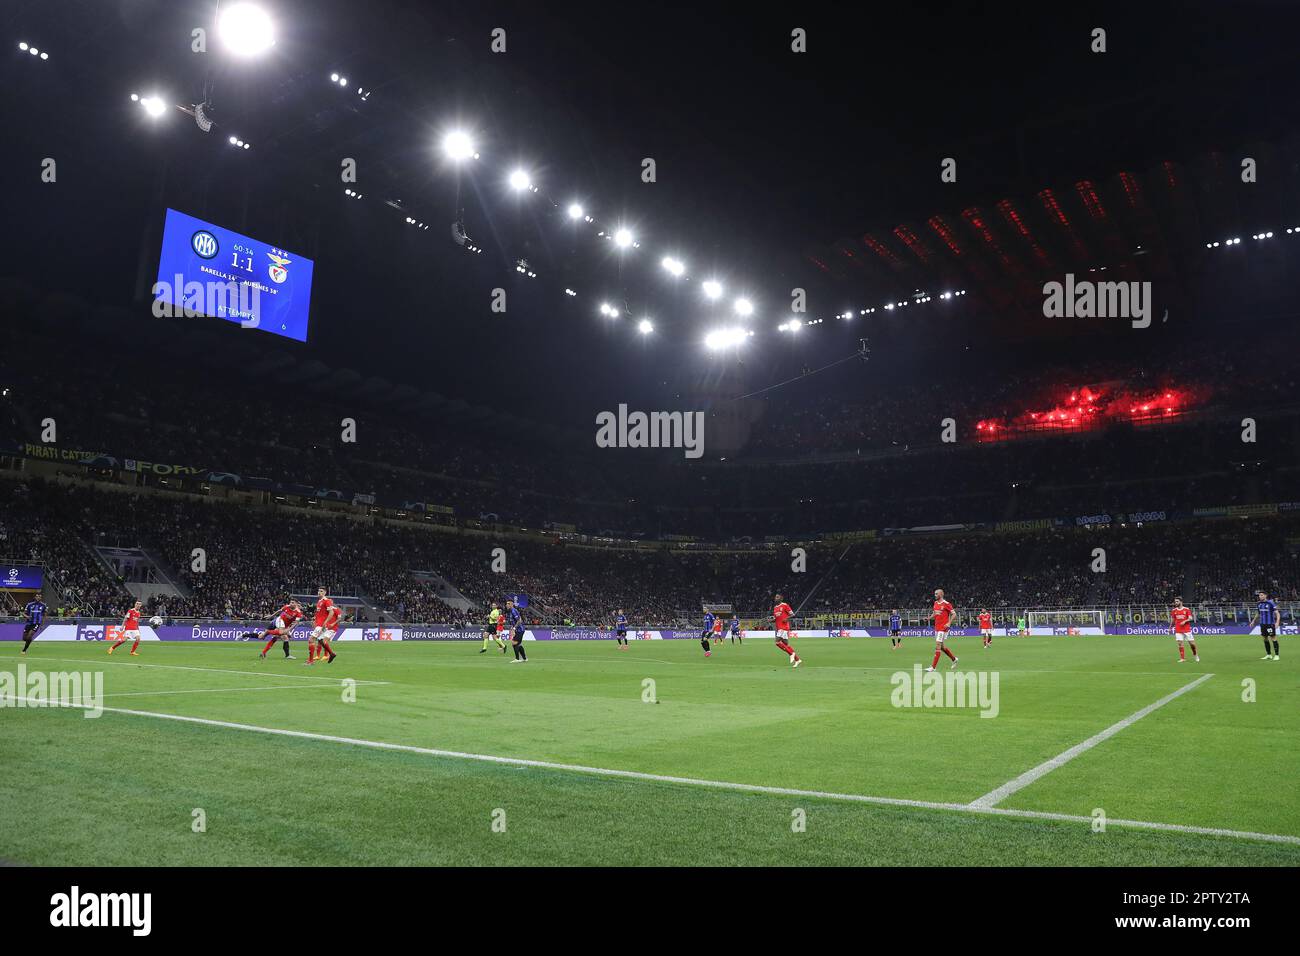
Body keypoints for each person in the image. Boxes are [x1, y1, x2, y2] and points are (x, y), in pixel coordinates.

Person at [926, 588, 957, 672]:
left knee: (938, 645)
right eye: (935, 594)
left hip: (943, 628)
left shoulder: (946, 604)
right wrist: (929, 618)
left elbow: (954, 614)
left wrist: (949, 623)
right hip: (937, 628)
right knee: (942, 647)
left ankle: (933, 667)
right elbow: (935, 613)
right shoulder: (935, 603)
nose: (935, 595)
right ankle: (954, 659)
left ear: (941, 594)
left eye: (936, 594)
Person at [772, 594, 802, 667]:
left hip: (784, 627)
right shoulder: (775, 608)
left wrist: (787, 618)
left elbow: (792, 614)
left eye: (777, 597)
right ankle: (797, 660)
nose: (776, 598)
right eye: (775, 597)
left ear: (781, 598)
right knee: (786, 645)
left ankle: (792, 654)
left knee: (777, 642)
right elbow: (777, 618)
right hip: (779, 628)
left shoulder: (785, 605)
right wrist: (772, 620)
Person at [1250, 590, 1280, 661]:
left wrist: (1277, 622)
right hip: (1263, 624)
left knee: (1273, 638)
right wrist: (1253, 621)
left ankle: (1276, 655)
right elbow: (1258, 613)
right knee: (1265, 639)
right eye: (1259, 595)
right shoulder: (1259, 604)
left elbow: (1277, 613)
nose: (1260, 596)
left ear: (1265, 596)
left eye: (1262, 595)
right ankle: (1269, 654)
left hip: (1270, 624)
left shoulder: (1270, 603)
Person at [1170, 597, 1199, 663]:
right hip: (1178, 630)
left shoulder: (1186, 609)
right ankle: (1182, 658)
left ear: (1181, 602)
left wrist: (1185, 621)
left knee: (1192, 644)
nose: (1176, 603)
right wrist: (1170, 628)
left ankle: (1195, 654)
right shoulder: (1174, 610)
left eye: (1177, 601)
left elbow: (1190, 618)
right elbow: (1173, 620)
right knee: (1180, 643)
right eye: (1175, 602)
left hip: (1186, 630)